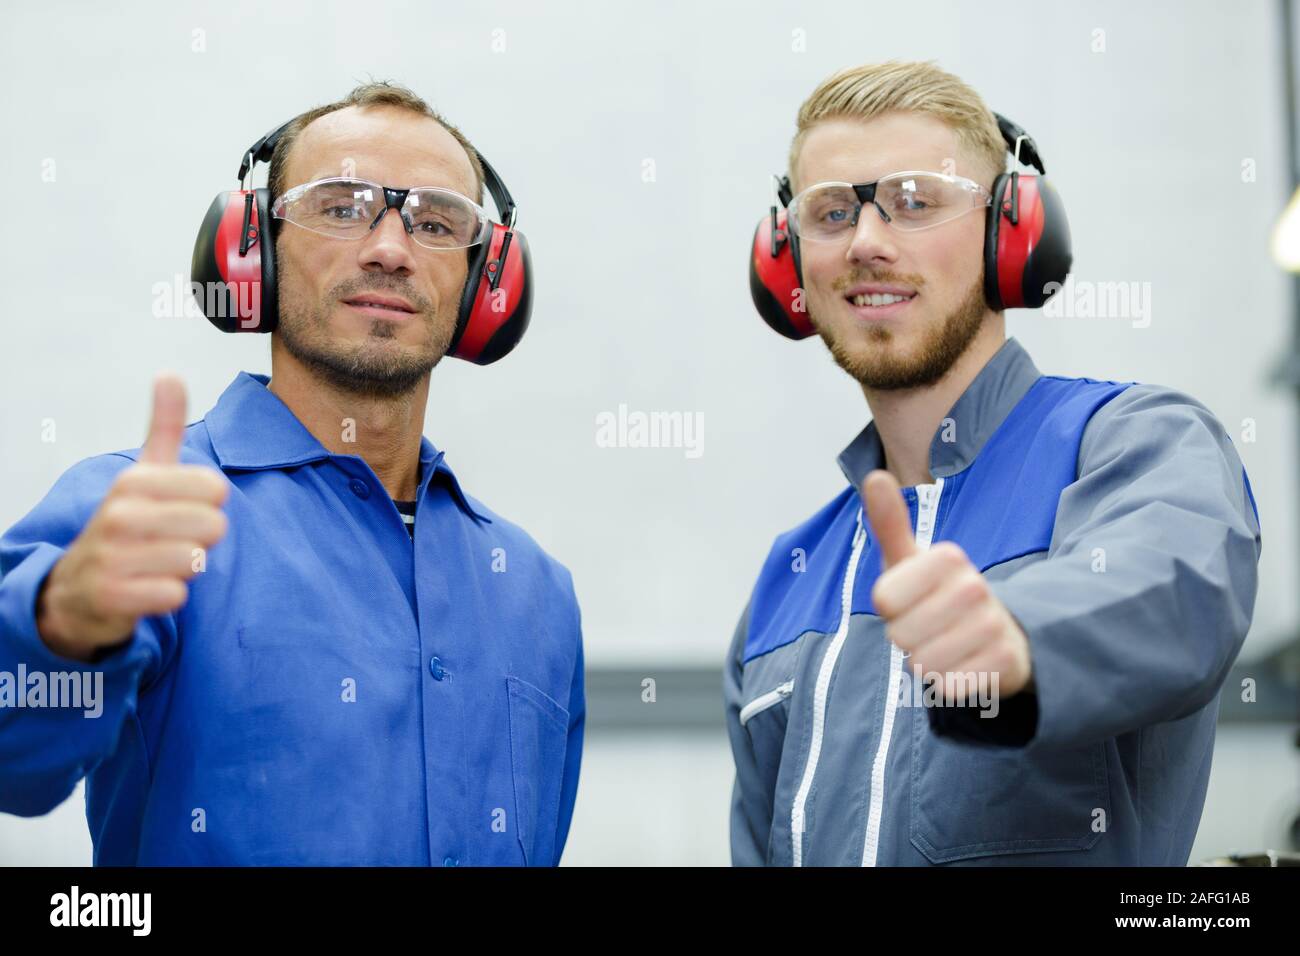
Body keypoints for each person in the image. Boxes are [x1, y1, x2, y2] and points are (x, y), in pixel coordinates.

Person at [0, 82, 584, 866]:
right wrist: (61, 624)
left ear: (488, 286)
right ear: (251, 253)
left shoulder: (534, 591)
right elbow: (15, 768)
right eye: (341, 208)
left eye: (436, 222)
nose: (389, 248)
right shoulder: (143, 510)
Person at [726, 60, 1262, 866]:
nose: (867, 242)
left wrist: (1013, 639)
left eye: (914, 201)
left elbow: (1180, 594)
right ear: (787, 263)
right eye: (831, 213)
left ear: (1010, 234)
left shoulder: (1135, 442)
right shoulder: (786, 575)